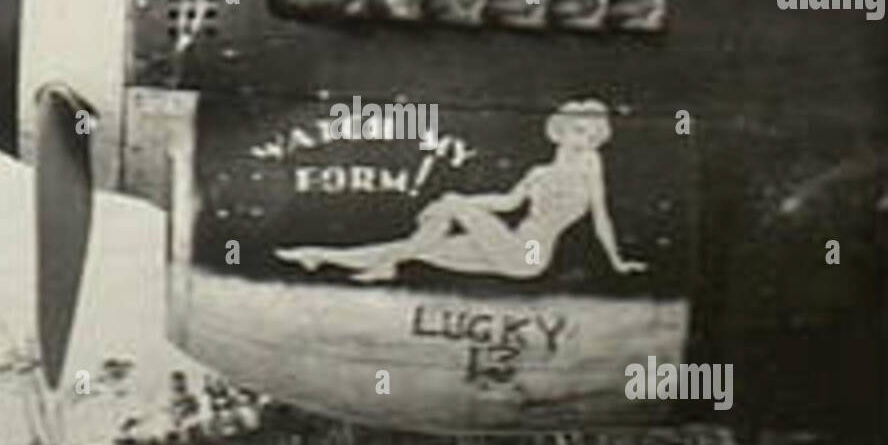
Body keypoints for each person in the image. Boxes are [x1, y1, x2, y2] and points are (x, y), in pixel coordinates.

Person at [275, 97, 646, 283]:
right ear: (561, 131)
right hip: (509, 246)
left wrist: (617, 261)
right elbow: (506, 202)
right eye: (576, 131)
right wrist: (466, 202)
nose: (582, 139)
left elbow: (602, 217)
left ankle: (370, 262)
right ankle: (319, 254)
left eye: (590, 134)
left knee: (447, 208)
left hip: (529, 254)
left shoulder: (588, 167)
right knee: (411, 250)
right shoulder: (538, 171)